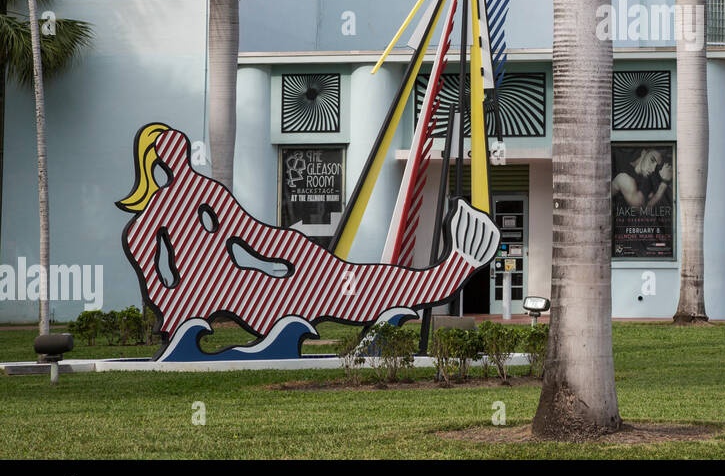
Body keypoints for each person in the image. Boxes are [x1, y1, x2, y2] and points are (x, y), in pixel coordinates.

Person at [117, 123, 498, 338]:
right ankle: (451, 273)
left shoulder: (205, 194)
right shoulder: (154, 218)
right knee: (347, 286)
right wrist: (179, 307)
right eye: (171, 152)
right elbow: (157, 273)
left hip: (268, 278)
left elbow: (250, 236)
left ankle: (451, 272)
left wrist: (288, 260)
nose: (181, 158)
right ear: (160, 163)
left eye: (182, 149)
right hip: (249, 291)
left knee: (351, 283)